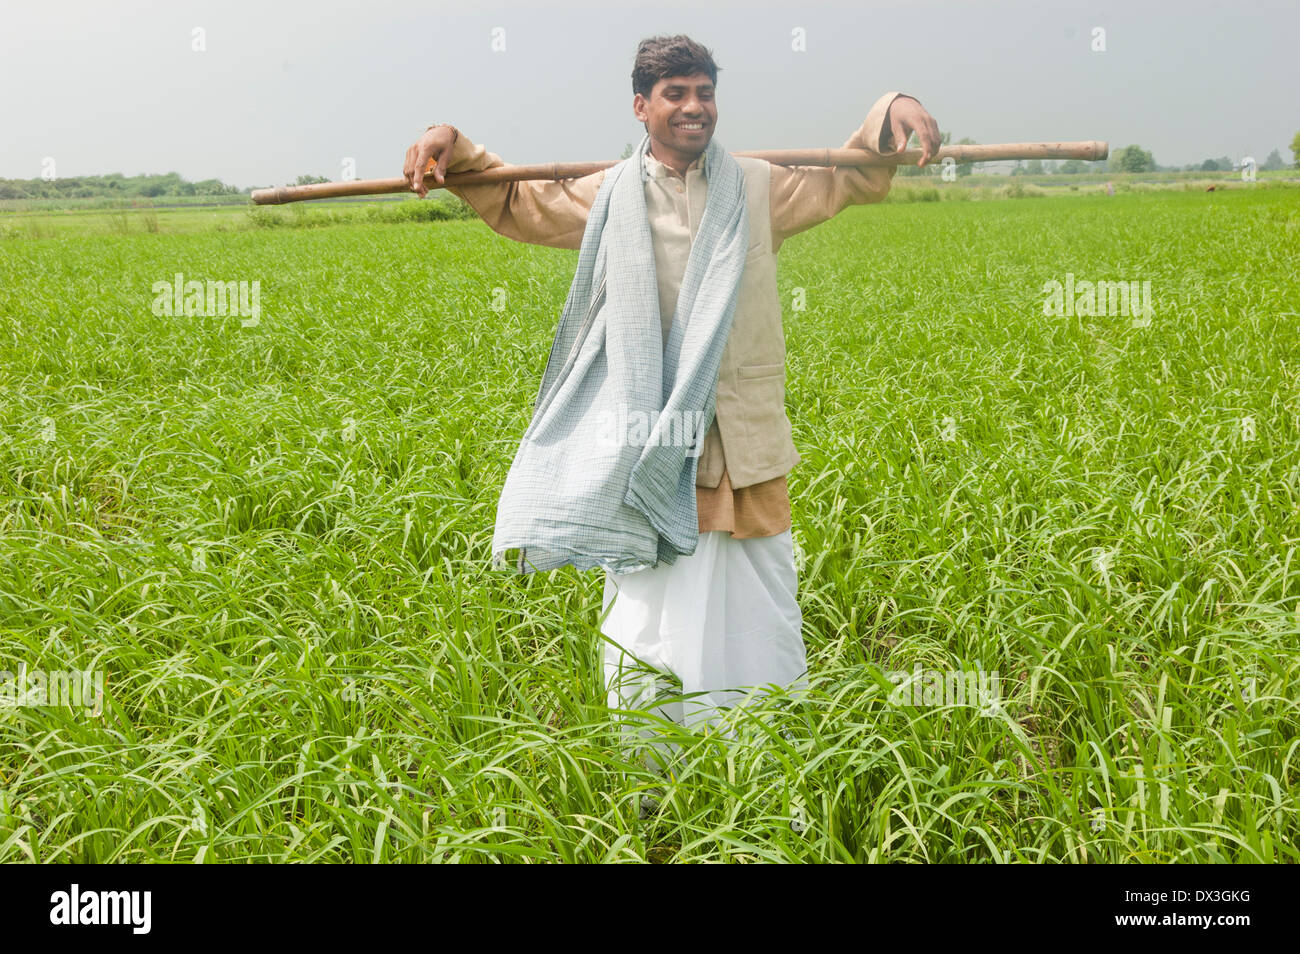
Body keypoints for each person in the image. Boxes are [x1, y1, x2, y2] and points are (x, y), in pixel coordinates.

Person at [403, 35, 940, 786]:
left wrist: (892, 109)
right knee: (649, 618)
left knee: (758, 609)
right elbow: (515, 199)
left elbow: (848, 174)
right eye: (676, 94)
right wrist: (450, 144)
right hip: (649, 442)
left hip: (742, 440)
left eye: (704, 93)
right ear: (641, 106)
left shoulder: (757, 187)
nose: (695, 107)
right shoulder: (607, 195)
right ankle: (658, 777)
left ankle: (760, 767)